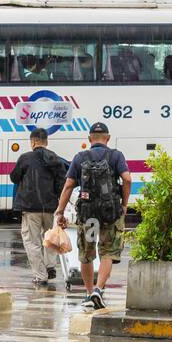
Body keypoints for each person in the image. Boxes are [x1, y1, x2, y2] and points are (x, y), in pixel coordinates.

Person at [54, 122, 131, 311]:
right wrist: (124, 204)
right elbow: (127, 179)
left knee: (87, 253)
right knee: (108, 252)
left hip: (88, 216)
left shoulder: (80, 157)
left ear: (89, 139)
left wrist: (60, 211)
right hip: (110, 214)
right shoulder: (116, 155)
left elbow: (68, 186)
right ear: (108, 137)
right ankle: (99, 290)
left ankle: (88, 293)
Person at [10, 128, 69, 289]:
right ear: (46, 142)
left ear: (33, 142)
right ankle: (50, 266)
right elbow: (62, 183)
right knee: (50, 238)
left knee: (32, 241)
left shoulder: (25, 158)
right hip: (51, 207)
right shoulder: (55, 158)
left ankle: (40, 275)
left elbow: (14, 177)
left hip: (30, 208)